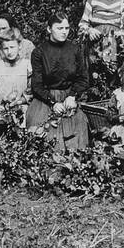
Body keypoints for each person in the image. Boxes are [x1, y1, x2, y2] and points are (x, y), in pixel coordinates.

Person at [26, 12, 91, 151]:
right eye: (59, 28)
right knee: (41, 132)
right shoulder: (39, 52)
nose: (64, 32)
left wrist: (73, 96)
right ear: (49, 29)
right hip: (45, 99)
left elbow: (84, 79)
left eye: (66, 28)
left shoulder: (75, 49)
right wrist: (53, 102)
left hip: (69, 99)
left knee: (78, 128)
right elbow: (36, 85)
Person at [0, 35, 33, 146]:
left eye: (12, 47)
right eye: (6, 48)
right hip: (0, 111)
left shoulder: (27, 66)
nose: (9, 52)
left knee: (20, 138)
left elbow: (30, 91)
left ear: (19, 47)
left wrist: (19, 101)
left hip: (21, 109)